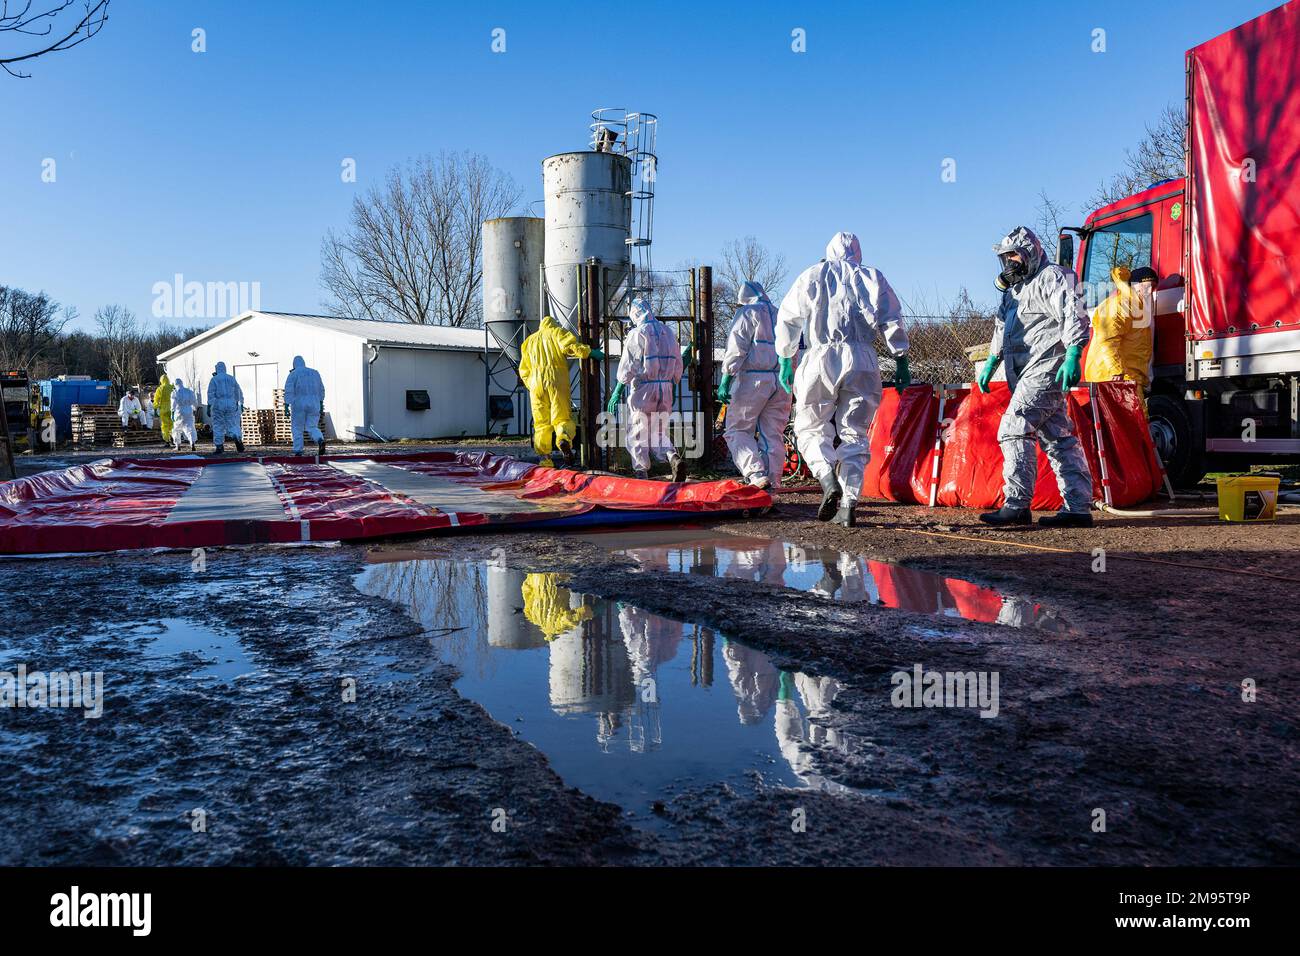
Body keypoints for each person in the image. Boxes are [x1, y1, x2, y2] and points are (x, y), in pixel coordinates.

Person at [776, 231, 911, 527]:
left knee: (810, 426)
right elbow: (892, 318)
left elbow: (788, 317)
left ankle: (827, 479)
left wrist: (786, 358)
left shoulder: (813, 274)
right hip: (863, 359)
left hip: (820, 358)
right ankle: (848, 504)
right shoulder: (873, 277)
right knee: (855, 433)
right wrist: (901, 358)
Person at [976, 226, 1094, 527]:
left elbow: (1073, 312)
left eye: (1014, 254)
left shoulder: (1054, 277)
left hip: (1048, 365)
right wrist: (992, 359)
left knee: (1014, 427)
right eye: (1005, 257)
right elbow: (1002, 326)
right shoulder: (1014, 289)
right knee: (1058, 438)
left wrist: (1073, 353)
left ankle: (1017, 504)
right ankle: (1078, 508)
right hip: (1026, 370)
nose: (1009, 262)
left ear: (1029, 251)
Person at [717, 280, 792, 489]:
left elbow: (736, 347)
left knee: (737, 430)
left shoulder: (747, 313)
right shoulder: (782, 314)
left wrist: (725, 380)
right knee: (772, 434)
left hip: (752, 380)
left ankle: (756, 473)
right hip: (781, 380)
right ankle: (773, 484)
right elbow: (794, 349)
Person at [607, 296, 686, 481]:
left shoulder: (638, 333)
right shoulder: (667, 332)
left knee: (637, 432)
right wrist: (672, 385)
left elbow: (629, 365)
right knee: (659, 432)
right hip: (665, 389)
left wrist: (618, 390)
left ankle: (641, 472)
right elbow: (678, 363)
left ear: (635, 314)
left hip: (644, 390)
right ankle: (672, 457)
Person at [518, 316, 602, 467]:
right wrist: (589, 352)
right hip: (557, 380)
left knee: (541, 423)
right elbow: (570, 347)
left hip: (536, 384)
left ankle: (544, 458)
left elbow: (523, 370)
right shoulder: (557, 332)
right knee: (561, 417)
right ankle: (563, 438)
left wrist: (532, 384)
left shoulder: (529, 342)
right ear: (553, 324)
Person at [1084, 265, 1157, 392]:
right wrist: (1116, 370)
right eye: (1146, 286)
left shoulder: (1139, 309)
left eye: (1153, 287)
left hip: (1125, 378)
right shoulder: (1121, 305)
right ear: (1134, 285)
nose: (1150, 291)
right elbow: (1108, 339)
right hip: (1112, 377)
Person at [283, 355, 327, 456]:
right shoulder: (315, 373)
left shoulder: (293, 374)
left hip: (299, 404)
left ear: (294, 364)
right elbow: (321, 389)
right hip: (314, 404)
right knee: (312, 426)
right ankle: (320, 440)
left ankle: (298, 450)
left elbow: (289, 390)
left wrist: (286, 405)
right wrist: (320, 402)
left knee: (297, 428)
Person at [205, 361, 245, 454]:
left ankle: (219, 446)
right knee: (232, 424)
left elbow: (211, 394)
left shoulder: (214, 379)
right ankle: (236, 437)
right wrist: (239, 402)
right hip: (231, 403)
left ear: (217, 369)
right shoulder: (231, 378)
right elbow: (238, 391)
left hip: (219, 404)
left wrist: (209, 406)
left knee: (218, 425)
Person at [170, 377, 198, 451]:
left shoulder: (175, 392)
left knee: (176, 429)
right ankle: (192, 443)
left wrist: (172, 412)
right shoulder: (189, 391)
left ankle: (178, 445)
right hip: (188, 410)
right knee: (190, 427)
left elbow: (173, 404)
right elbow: (194, 402)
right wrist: (194, 409)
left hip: (179, 411)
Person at [155, 373, 174, 446]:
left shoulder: (159, 389)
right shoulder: (172, 387)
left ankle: (167, 441)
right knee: (172, 425)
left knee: (164, 426)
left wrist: (156, 408)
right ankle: (173, 439)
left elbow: (156, 400)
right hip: (171, 409)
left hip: (163, 409)